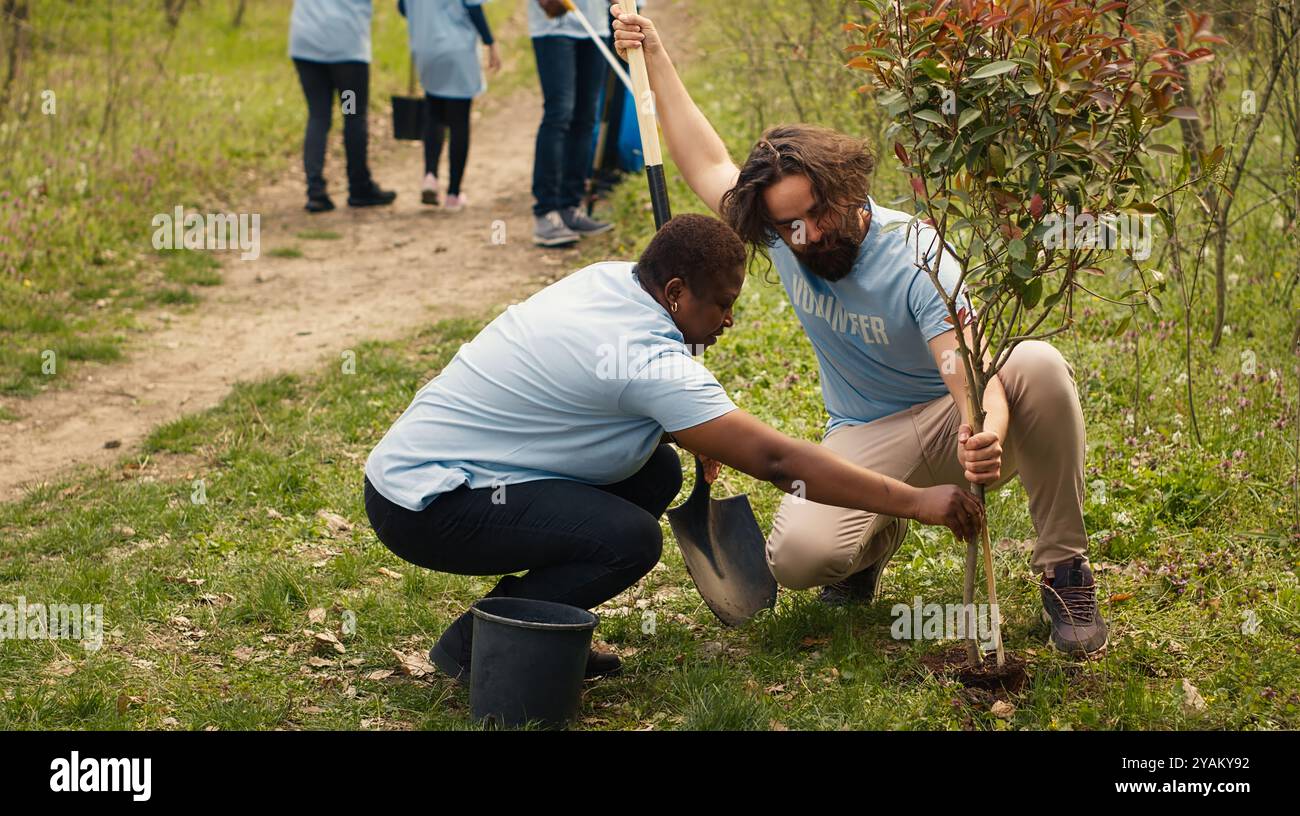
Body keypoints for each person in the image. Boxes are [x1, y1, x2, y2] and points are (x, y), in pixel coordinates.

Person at [611, 5, 1108, 657]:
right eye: (789, 225)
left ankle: (1064, 567)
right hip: (864, 432)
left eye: (817, 215)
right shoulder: (785, 233)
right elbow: (706, 159)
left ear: (848, 187)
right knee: (797, 557)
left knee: (1037, 364)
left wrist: (985, 427)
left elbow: (965, 360)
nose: (807, 235)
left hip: (950, 420)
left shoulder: (914, 252)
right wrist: (654, 53)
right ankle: (870, 541)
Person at [363, 214, 983, 681]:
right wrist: (916, 501)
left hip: (428, 468)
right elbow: (779, 463)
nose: (729, 320)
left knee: (654, 472)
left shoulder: (605, 281)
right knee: (628, 540)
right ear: (676, 292)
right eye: (723, 304)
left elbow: (585, 388)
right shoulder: (648, 362)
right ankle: (480, 643)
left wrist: (677, 425)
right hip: (427, 504)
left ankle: (516, 627)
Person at [289, 0, 396, 211]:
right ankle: (359, 187)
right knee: (352, 114)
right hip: (344, 53)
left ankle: (315, 191)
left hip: (306, 43)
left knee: (318, 116)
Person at [528, 0, 617, 246]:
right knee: (559, 114)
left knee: (586, 118)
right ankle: (546, 211)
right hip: (554, 28)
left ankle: (570, 205)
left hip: (594, 26)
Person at [399, 0, 501, 211]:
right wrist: (490, 42)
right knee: (459, 122)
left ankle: (430, 175)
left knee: (433, 112)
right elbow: (473, 7)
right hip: (457, 47)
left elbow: (402, 7)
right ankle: (453, 193)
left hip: (426, 48)